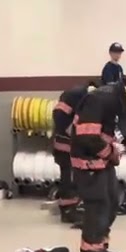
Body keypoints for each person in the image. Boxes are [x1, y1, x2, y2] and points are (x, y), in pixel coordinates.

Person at [70, 82, 126, 252]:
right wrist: (111, 153)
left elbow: (109, 132)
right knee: (97, 205)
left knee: (111, 201)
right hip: (88, 162)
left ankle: (100, 247)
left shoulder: (117, 102)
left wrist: (114, 149)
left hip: (102, 161)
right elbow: (87, 136)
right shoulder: (99, 100)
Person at [52, 80, 98, 224]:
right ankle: (67, 211)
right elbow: (59, 115)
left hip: (76, 147)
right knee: (69, 178)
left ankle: (74, 207)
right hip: (65, 146)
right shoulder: (74, 95)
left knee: (76, 178)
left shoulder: (90, 100)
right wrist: (73, 132)